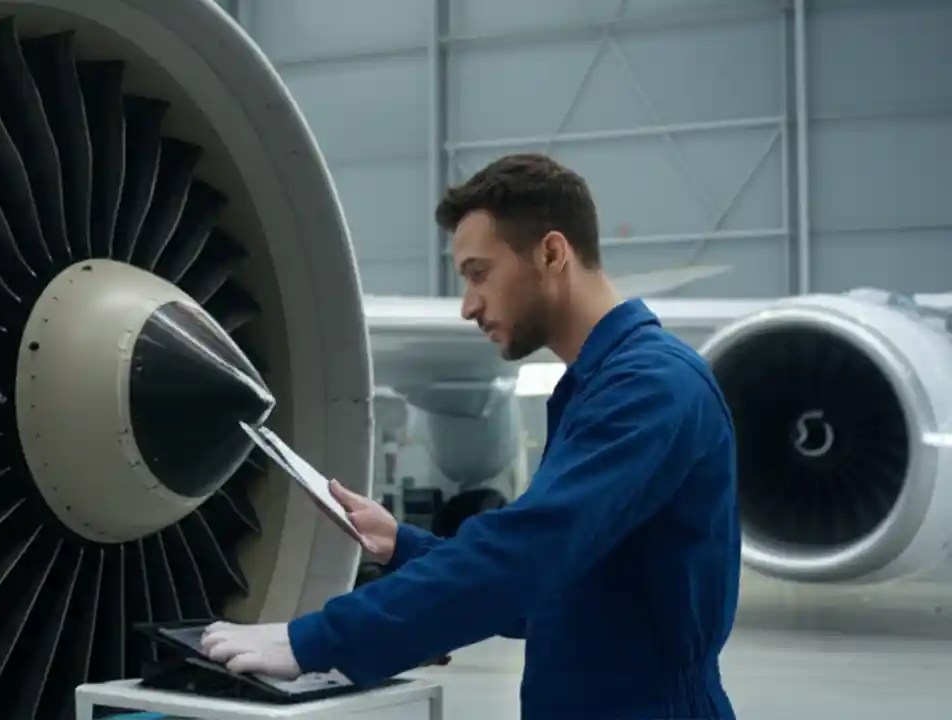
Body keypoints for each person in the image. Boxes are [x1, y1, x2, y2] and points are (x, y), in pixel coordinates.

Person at [201, 153, 741, 719]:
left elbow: (526, 555)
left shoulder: (651, 387)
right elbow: (561, 595)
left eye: (479, 273)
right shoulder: (599, 384)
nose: (468, 306)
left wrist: (312, 641)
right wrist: (403, 546)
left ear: (552, 254)